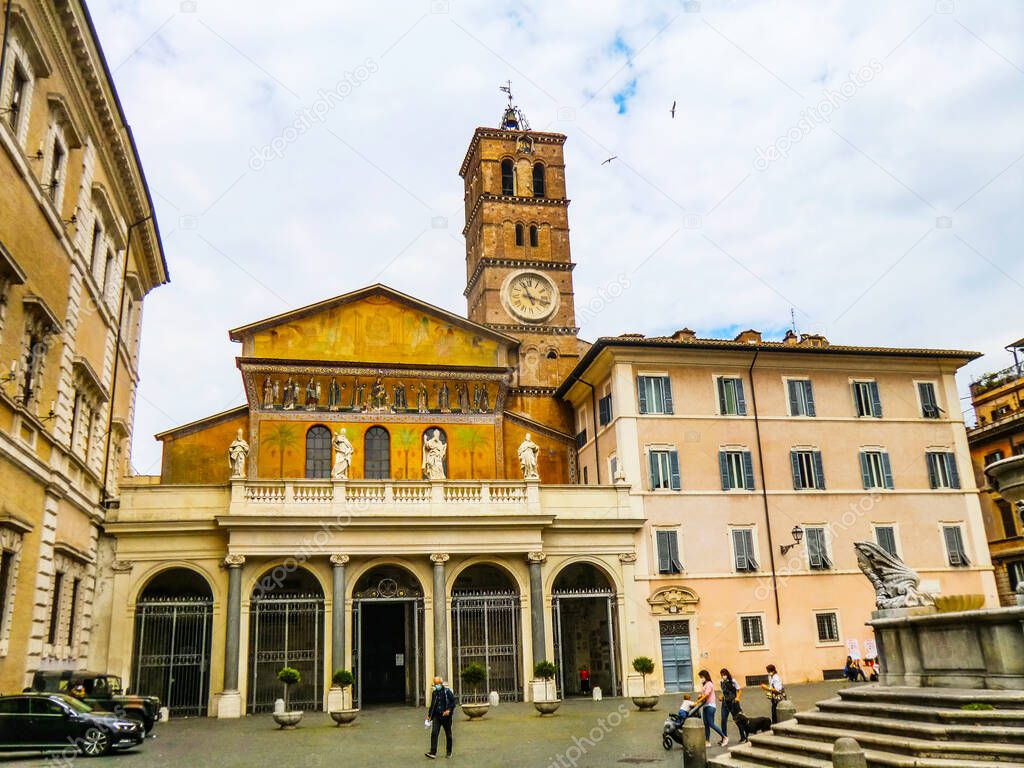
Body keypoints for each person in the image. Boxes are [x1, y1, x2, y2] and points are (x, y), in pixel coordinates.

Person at [693, 669, 728, 748]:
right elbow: (704, 695)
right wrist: (700, 696)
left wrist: (697, 702)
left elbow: (706, 695)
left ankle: (724, 737)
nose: (701, 678)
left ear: (705, 676)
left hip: (710, 706)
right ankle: (707, 741)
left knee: (711, 723)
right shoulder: (705, 685)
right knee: (706, 724)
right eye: (700, 677)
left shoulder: (709, 684)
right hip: (706, 706)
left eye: (701, 677)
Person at [425, 676, 456, 759]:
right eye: (435, 684)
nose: (436, 685)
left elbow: (453, 702)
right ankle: (433, 752)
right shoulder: (434, 693)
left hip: (446, 717)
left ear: (441, 683)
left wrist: (449, 710)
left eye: (437, 684)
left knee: (448, 734)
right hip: (437, 716)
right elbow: (432, 705)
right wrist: (429, 716)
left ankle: (449, 752)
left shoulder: (447, 692)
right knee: (434, 733)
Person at [719, 668, 745, 743]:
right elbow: (724, 692)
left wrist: (737, 698)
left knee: (737, 719)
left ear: (727, 674)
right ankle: (724, 738)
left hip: (733, 703)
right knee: (723, 720)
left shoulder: (733, 681)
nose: (723, 676)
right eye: (722, 675)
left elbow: (739, 690)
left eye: (724, 675)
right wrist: (721, 697)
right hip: (725, 704)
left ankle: (743, 737)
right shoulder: (721, 682)